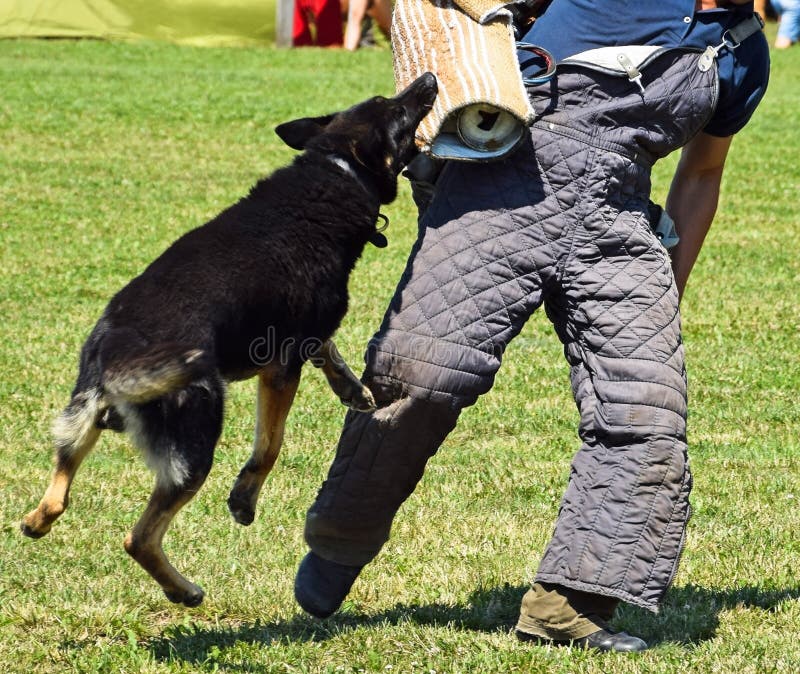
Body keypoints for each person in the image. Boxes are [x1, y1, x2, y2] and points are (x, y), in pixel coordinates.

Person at [293, 0, 770, 652]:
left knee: (646, 409)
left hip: (619, 217)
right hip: (504, 180)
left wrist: (669, 286)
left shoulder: (742, 52)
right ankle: (343, 535)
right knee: (426, 369)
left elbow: (703, 173)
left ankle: (569, 604)